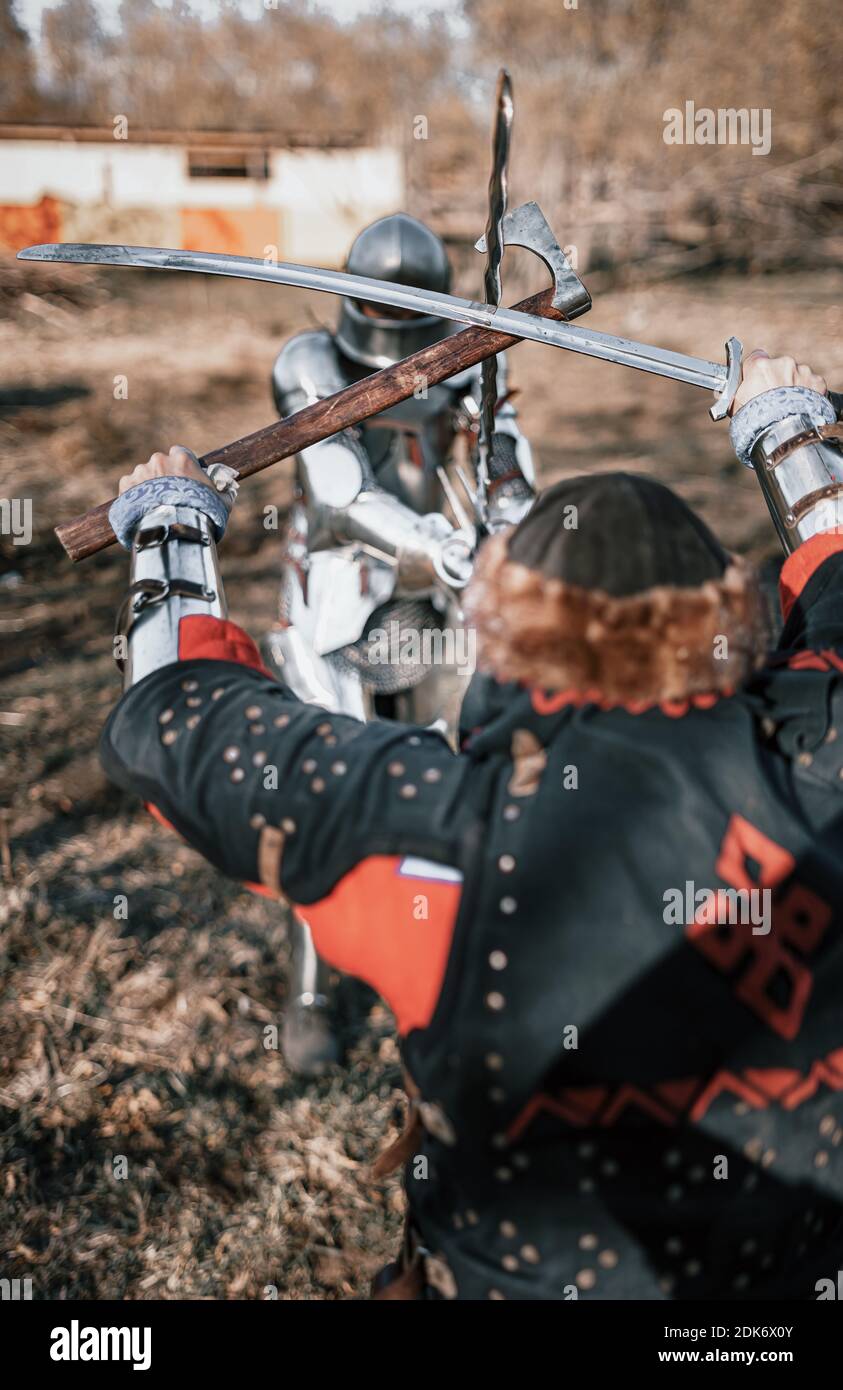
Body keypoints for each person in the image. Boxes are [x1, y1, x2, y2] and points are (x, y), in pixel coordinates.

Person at [102, 348, 843, 1299]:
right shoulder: (819, 751)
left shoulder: (434, 829)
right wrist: (788, 429)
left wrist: (169, 526)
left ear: (510, 643)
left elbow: (176, 721)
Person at [267, 213, 534, 1075]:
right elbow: (339, 489)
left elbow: (506, 467)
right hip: (335, 601)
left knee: (459, 784)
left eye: (403, 313)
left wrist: (510, 530)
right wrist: (429, 541)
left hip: (440, 605)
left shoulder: (470, 354)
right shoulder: (310, 363)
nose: (389, 328)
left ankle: (445, 974)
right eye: (378, 311)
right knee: (325, 794)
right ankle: (311, 990)